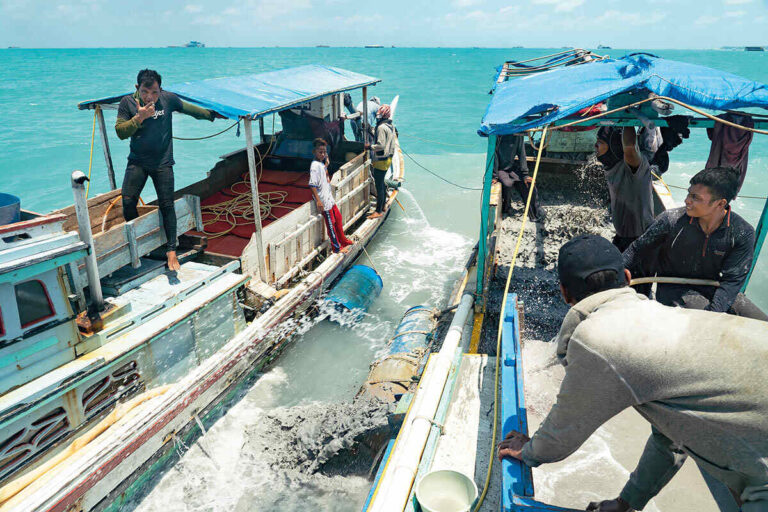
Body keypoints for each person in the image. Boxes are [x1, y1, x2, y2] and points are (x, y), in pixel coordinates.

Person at [497, 234, 768, 512]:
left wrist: (530, 450)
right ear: (627, 277)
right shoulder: (669, 320)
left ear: (566, 294)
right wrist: (626, 504)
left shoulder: (598, 337)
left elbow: (561, 435)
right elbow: (670, 439)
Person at [623, 166, 767, 321]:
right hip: (675, 288)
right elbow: (637, 250)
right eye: (688, 194)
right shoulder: (671, 221)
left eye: (695, 197)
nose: (687, 200)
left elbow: (732, 282)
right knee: (705, 318)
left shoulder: (742, 233)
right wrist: (617, 271)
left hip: (714, 288)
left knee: (762, 325)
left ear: (720, 204)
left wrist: (714, 313)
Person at [115, 69, 217, 271]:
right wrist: (139, 118)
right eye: (145, 92)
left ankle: (171, 250)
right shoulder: (127, 103)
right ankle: (142, 242)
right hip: (138, 162)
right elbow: (120, 132)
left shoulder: (168, 100)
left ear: (160, 90)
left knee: (166, 204)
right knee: (127, 202)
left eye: (154, 92)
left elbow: (192, 110)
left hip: (163, 162)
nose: (150, 97)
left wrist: (214, 115)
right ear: (137, 88)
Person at [595, 127, 655, 252]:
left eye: (600, 141)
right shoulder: (611, 165)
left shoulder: (633, 166)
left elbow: (630, 146)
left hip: (640, 240)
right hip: (621, 237)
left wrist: (627, 120)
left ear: (614, 145)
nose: (595, 145)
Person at [309, 138, 353, 254]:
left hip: (329, 198)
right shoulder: (314, 166)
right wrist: (318, 201)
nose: (323, 154)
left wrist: (326, 164)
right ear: (314, 152)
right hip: (323, 200)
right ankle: (336, 248)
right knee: (331, 224)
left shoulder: (321, 164)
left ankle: (343, 240)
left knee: (338, 218)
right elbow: (312, 185)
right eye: (320, 152)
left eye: (324, 152)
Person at [492, 134, 544, 221]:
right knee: (507, 184)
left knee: (529, 184)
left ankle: (534, 214)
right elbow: (494, 155)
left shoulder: (518, 135)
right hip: (500, 169)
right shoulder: (498, 135)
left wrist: (525, 175)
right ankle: (506, 209)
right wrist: (494, 176)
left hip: (512, 167)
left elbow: (522, 154)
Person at [365, 105, 396, 219]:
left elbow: (381, 145)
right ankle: (382, 205)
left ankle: (378, 211)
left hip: (381, 160)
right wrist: (370, 129)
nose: (377, 118)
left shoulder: (381, 127)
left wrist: (369, 147)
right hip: (388, 159)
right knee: (381, 183)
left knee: (379, 185)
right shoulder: (390, 126)